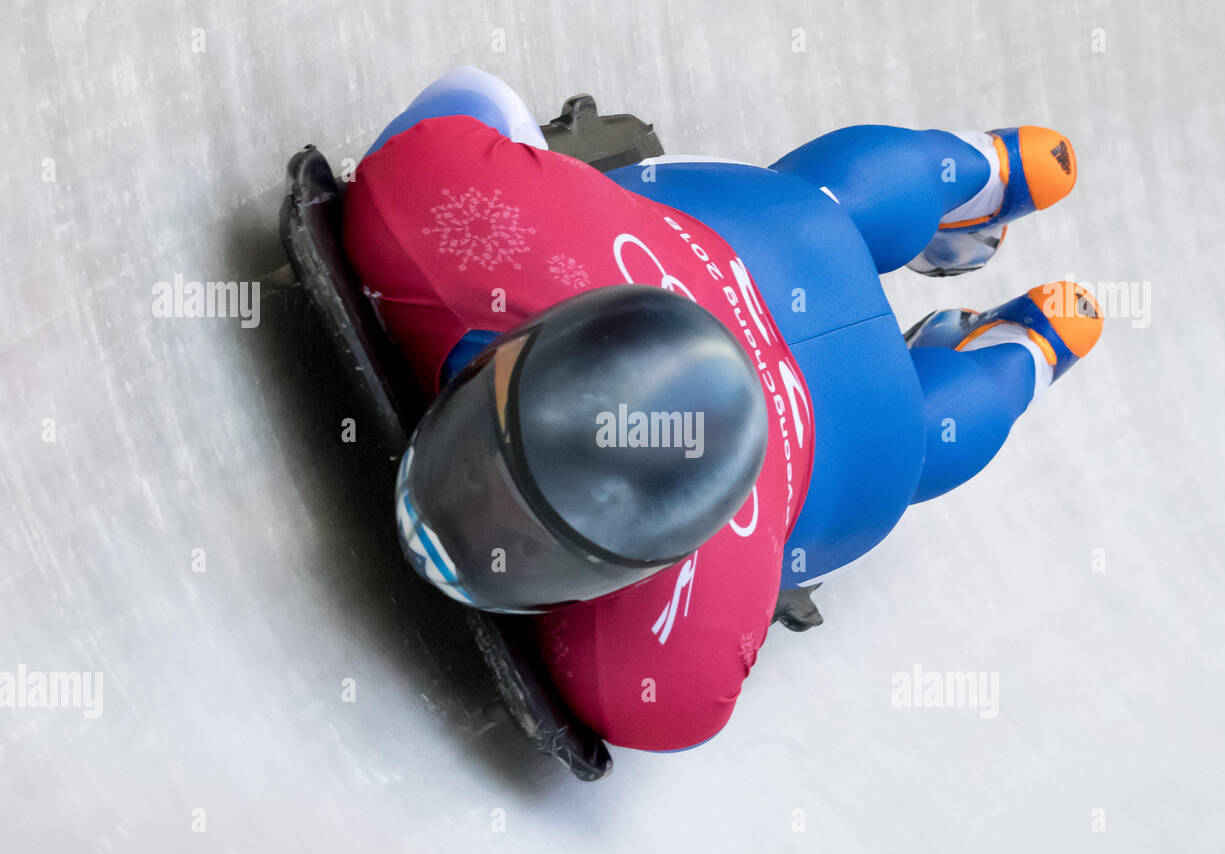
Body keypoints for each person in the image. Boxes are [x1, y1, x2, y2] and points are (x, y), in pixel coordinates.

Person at [343, 67, 1103, 752]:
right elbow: (474, 109)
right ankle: (1007, 268)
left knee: (916, 429)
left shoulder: (413, 202)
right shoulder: (421, 201)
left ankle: (1012, 303)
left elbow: (473, 103)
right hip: (778, 246)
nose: (477, 534)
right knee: (844, 221)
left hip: (839, 393)